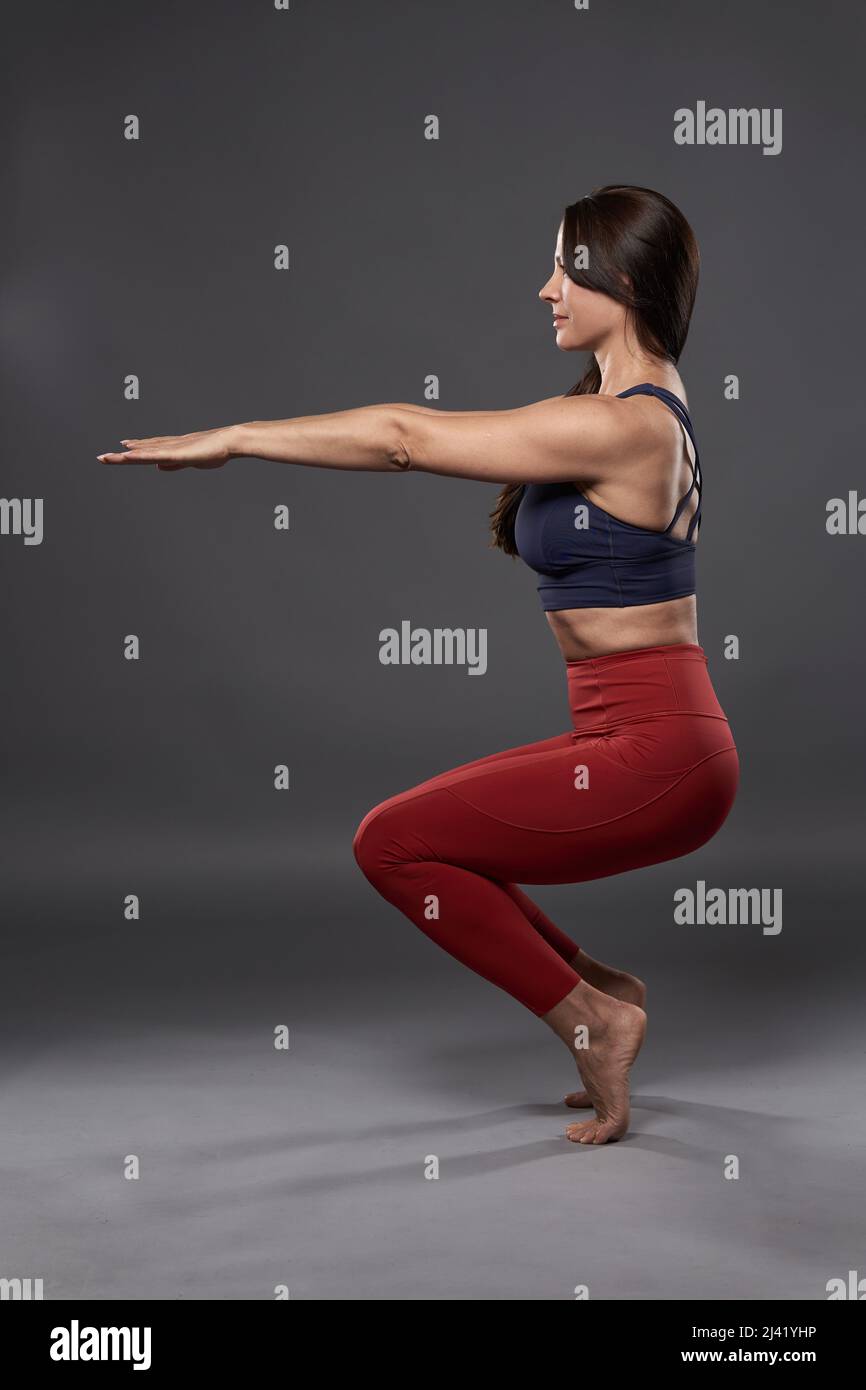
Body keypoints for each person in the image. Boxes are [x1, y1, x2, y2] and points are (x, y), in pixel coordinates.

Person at [98, 185, 739, 1145]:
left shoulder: (631, 425)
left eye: (567, 266)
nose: (545, 289)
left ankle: (593, 1020)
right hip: (635, 739)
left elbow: (406, 438)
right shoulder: (616, 407)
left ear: (627, 279)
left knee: (390, 844)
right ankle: (602, 991)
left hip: (661, 755)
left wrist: (236, 439)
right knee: (433, 839)